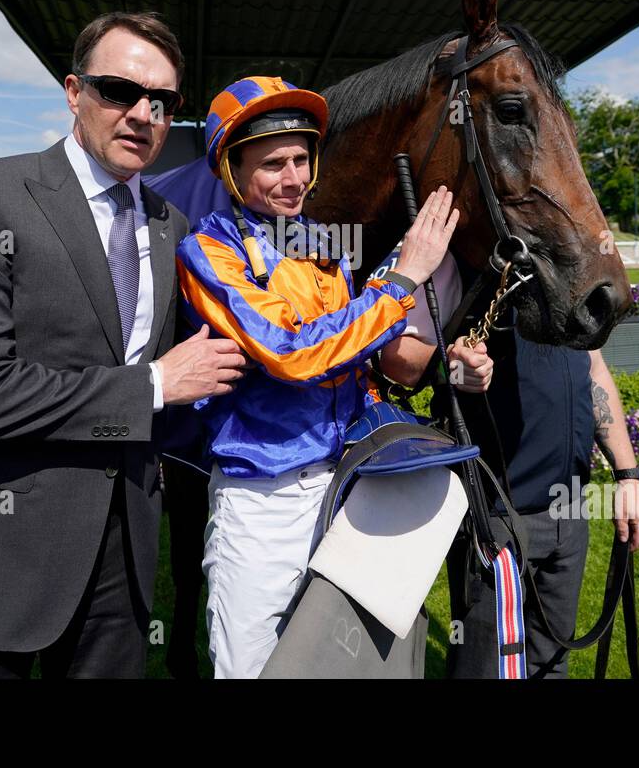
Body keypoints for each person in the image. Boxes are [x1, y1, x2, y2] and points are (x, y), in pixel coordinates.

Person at [0, 12, 247, 678]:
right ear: (74, 91)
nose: (143, 114)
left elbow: (221, 356)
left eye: (163, 102)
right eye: (120, 91)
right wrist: (153, 387)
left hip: (123, 555)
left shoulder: (175, 227)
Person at [174, 75, 460, 678]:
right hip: (260, 498)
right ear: (230, 169)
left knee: (331, 659)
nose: (295, 178)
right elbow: (295, 355)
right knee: (249, 668)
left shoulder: (324, 243)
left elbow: (349, 350)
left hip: (341, 485)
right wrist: (402, 282)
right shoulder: (209, 249)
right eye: (273, 163)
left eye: (302, 159)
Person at [375, 256, 639, 679]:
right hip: (498, 517)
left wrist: (628, 474)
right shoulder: (469, 265)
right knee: (484, 668)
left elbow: (594, 369)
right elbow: (396, 357)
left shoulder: (569, 273)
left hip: (569, 513)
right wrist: (449, 367)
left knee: (551, 665)